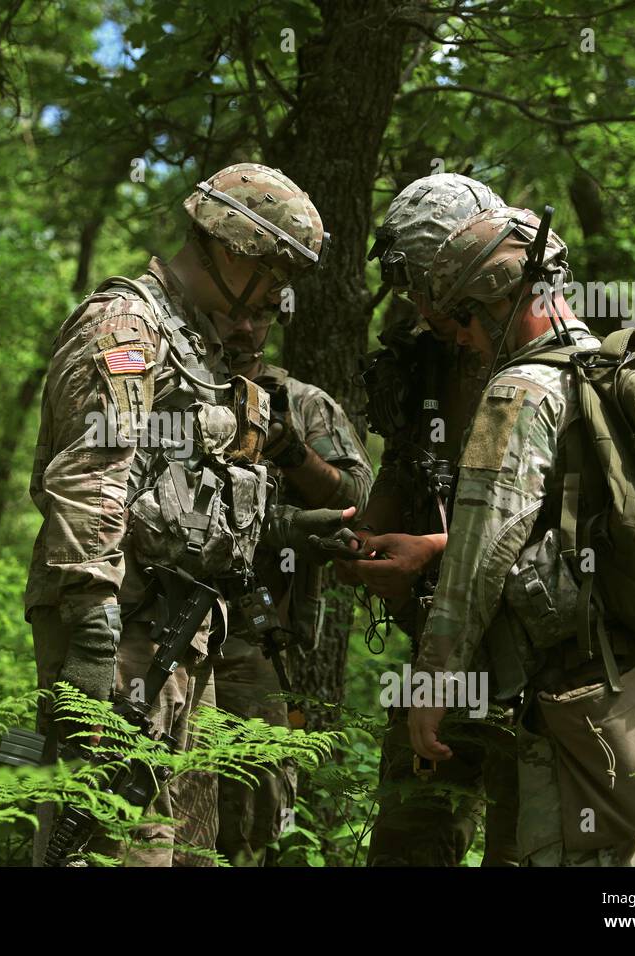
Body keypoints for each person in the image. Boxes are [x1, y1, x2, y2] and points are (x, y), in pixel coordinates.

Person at [24, 162, 358, 866]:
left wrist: (291, 528)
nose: (277, 292)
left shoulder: (198, 348)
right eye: (274, 269)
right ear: (232, 248)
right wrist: (90, 642)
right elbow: (90, 483)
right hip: (123, 636)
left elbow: (187, 496)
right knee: (115, 843)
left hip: (184, 634)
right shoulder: (127, 328)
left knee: (188, 848)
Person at [405, 205, 635, 866]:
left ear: (502, 300)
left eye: (463, 316)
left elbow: (478, 553)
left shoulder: (515, 394)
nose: (460, 338)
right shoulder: (624, 372)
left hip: (593, 694)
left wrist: (432, 686)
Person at [343, 173, 520, 866]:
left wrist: (434, 552)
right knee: (410, 844)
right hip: (435, 650)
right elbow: (401, 469)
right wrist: (364, 541)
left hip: (534, 658)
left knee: (524, 848)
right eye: (414, 288)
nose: (424, 304)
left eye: (436, 285)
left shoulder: (551, 364)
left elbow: (563, 525)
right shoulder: (418, 363)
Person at [210, 289, 373, 866]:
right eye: (233, 309)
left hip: (254, 637)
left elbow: (359, 500)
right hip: (163, 625)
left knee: (256, 806)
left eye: (258, 313)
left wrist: (293, 453)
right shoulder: (176, 389)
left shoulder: (303, 403)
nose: (243, 324)